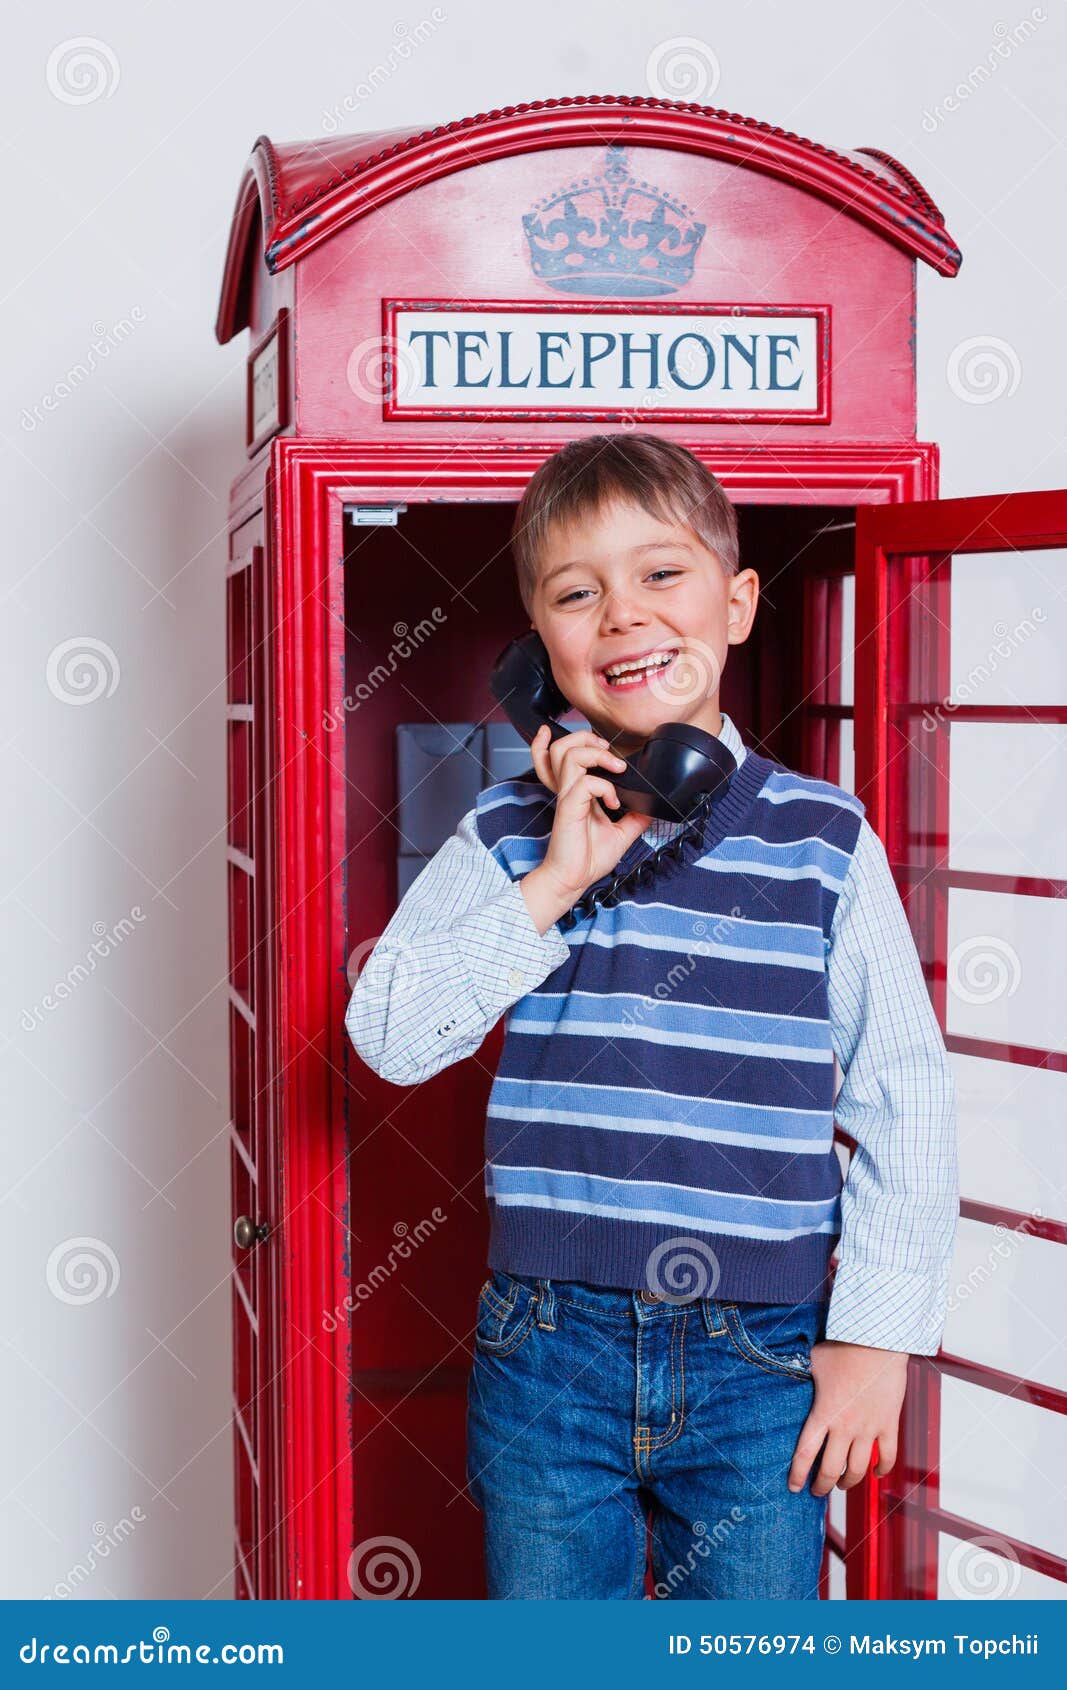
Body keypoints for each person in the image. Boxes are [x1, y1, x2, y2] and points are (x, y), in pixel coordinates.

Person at [345, 432, 959, 1600]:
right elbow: (388, 1032)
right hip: (545, 1349)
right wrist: (557, 882)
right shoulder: (506, 837)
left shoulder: (823, 837)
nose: (623, 616)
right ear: (536, 657)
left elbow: (902, 1088)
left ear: (735, 605)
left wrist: (875, 1336)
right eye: (578, 593)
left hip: (759, 1352)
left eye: (660, 576)